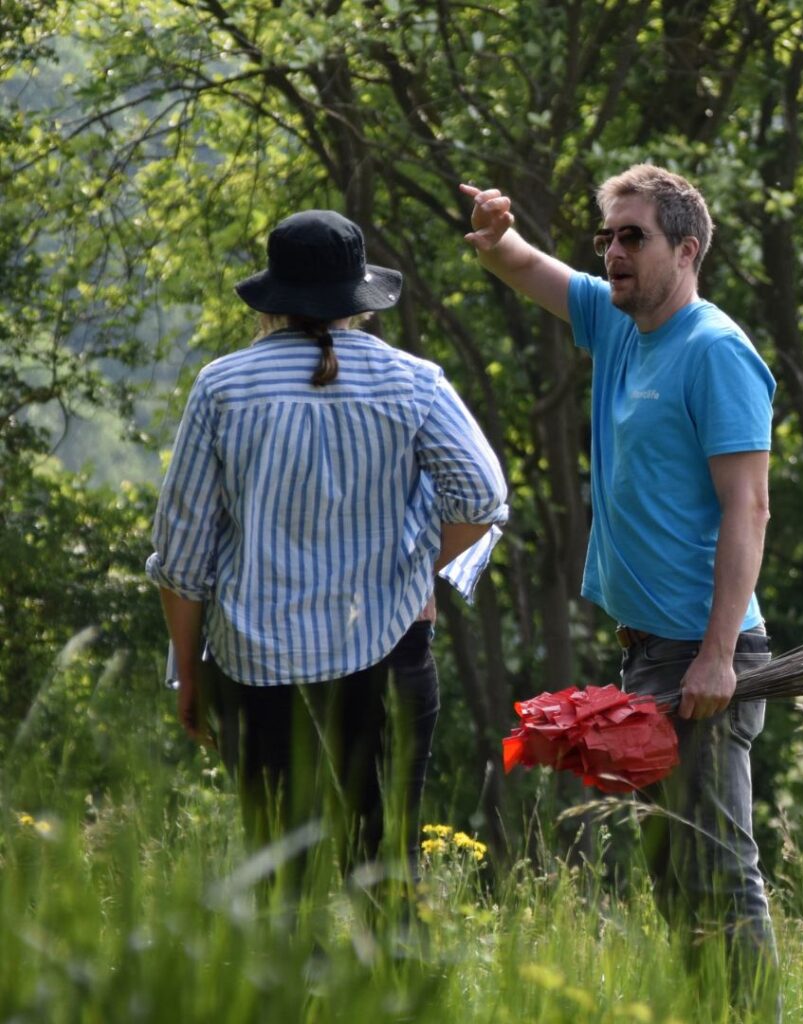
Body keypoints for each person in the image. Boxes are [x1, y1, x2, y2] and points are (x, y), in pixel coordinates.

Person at [462, 166, 778, 1011]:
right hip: (650, 656)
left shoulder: (715, 351)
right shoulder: (619, 321)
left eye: (631, 237)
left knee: (719, 867)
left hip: (703, 657)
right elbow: (528, 268)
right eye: (605, 236)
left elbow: (749, 506)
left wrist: (717, 657)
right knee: (676, 875)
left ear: (687, 249)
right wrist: (498, 239)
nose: (611, 252)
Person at [147, 209, 508, 915]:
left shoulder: (223, 388)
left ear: (273, 297)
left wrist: (190, 678)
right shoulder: (414, 381)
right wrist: (415, 571)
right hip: (389, 659)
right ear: (358, 297)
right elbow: (482, 494)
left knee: (280, 881)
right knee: (389, 876)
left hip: (257, 674)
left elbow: (182, 558)